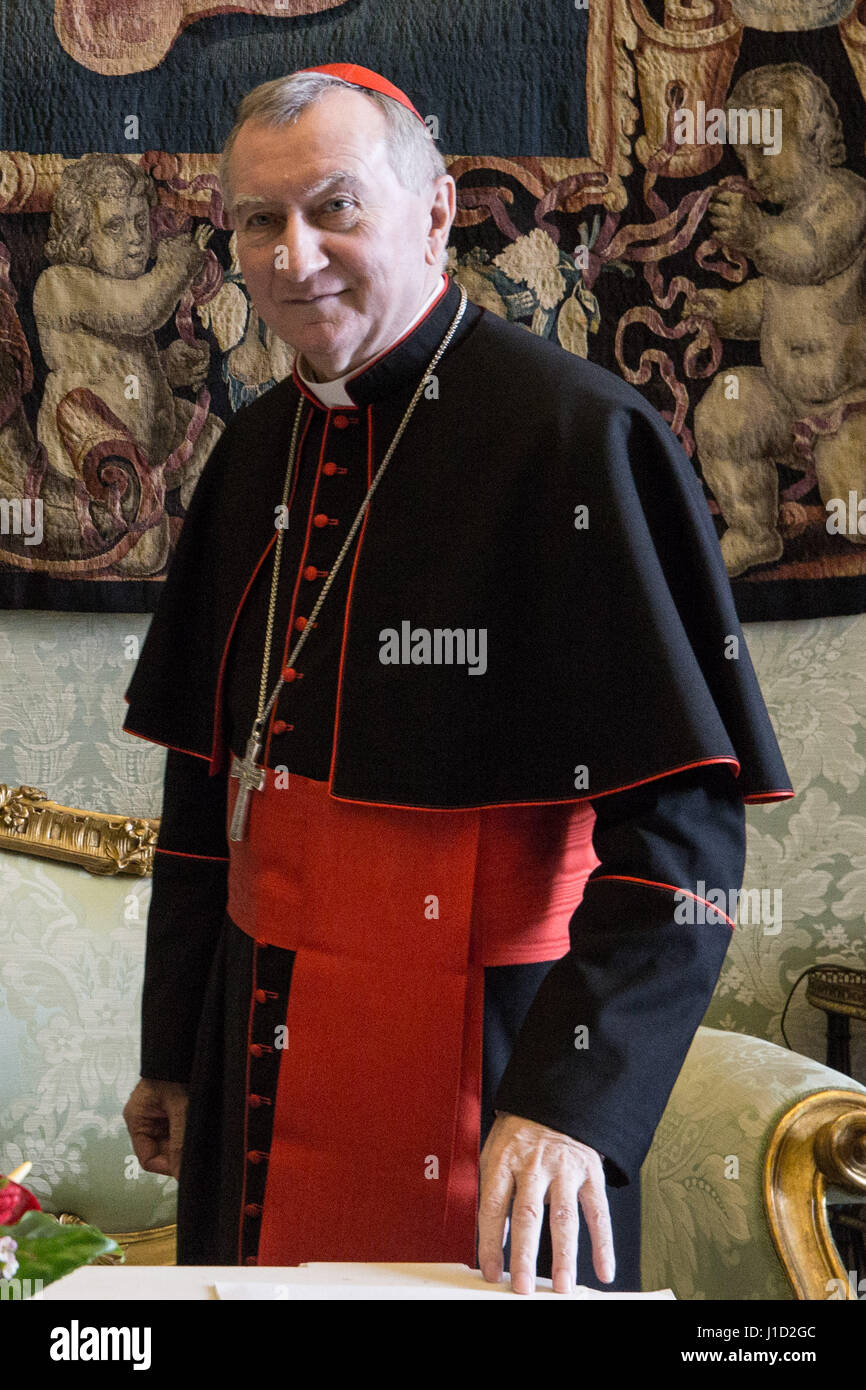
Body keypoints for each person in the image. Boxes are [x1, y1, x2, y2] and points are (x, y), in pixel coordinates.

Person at [122, 63, 793, 1295]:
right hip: (257, 1053)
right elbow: (204, 786)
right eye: (259, 221)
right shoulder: (255, 449)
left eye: (334, 208)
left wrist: (573, 1101)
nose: (293, 253)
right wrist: (176, 1048)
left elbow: (684, 833)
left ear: (434, 213)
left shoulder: (573, 436)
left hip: (493, 1062)